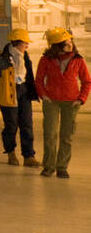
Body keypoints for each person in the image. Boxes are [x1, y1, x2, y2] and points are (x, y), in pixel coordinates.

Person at [33, 26, 89, 178]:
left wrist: (80, 99)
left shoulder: (78, 60)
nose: (70, 43)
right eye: (66, 41)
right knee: (50, 134)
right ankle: (49, 166)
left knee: (67, 135)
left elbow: (87, 82)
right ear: (57, 44)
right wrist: (44, 96)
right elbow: (38, 80)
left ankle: (62, 167)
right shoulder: (46, 60)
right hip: (51, 102)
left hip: (71, 103)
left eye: (70, 40)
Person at [0, 28, 39, 167]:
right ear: (16, 43)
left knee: (27, 124)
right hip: (9, 95)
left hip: (24, 93)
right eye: (25, 43)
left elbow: (29, 76)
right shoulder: (1, 59)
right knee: (11, 125)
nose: (27, 46)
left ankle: (29, 156)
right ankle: (11, 152)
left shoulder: (25, 57)